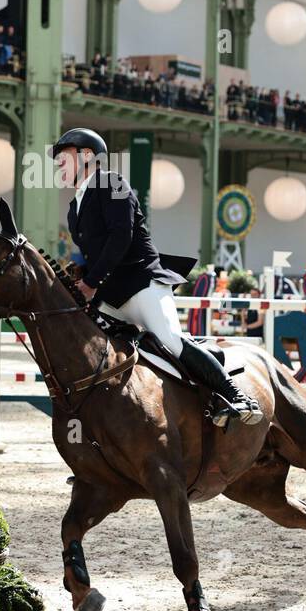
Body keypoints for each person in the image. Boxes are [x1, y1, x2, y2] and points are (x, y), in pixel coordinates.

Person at [52, 127, 262, 425]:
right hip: (111, 297)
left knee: (171, 340)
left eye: (63, 157)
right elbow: (95, 255)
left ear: (87, 156)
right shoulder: (75, 208)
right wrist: (79, 278)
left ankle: (237, 396)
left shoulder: (112, 183)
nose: (58, 164)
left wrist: (90, 281)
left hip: (141, 285)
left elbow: (120, 236)